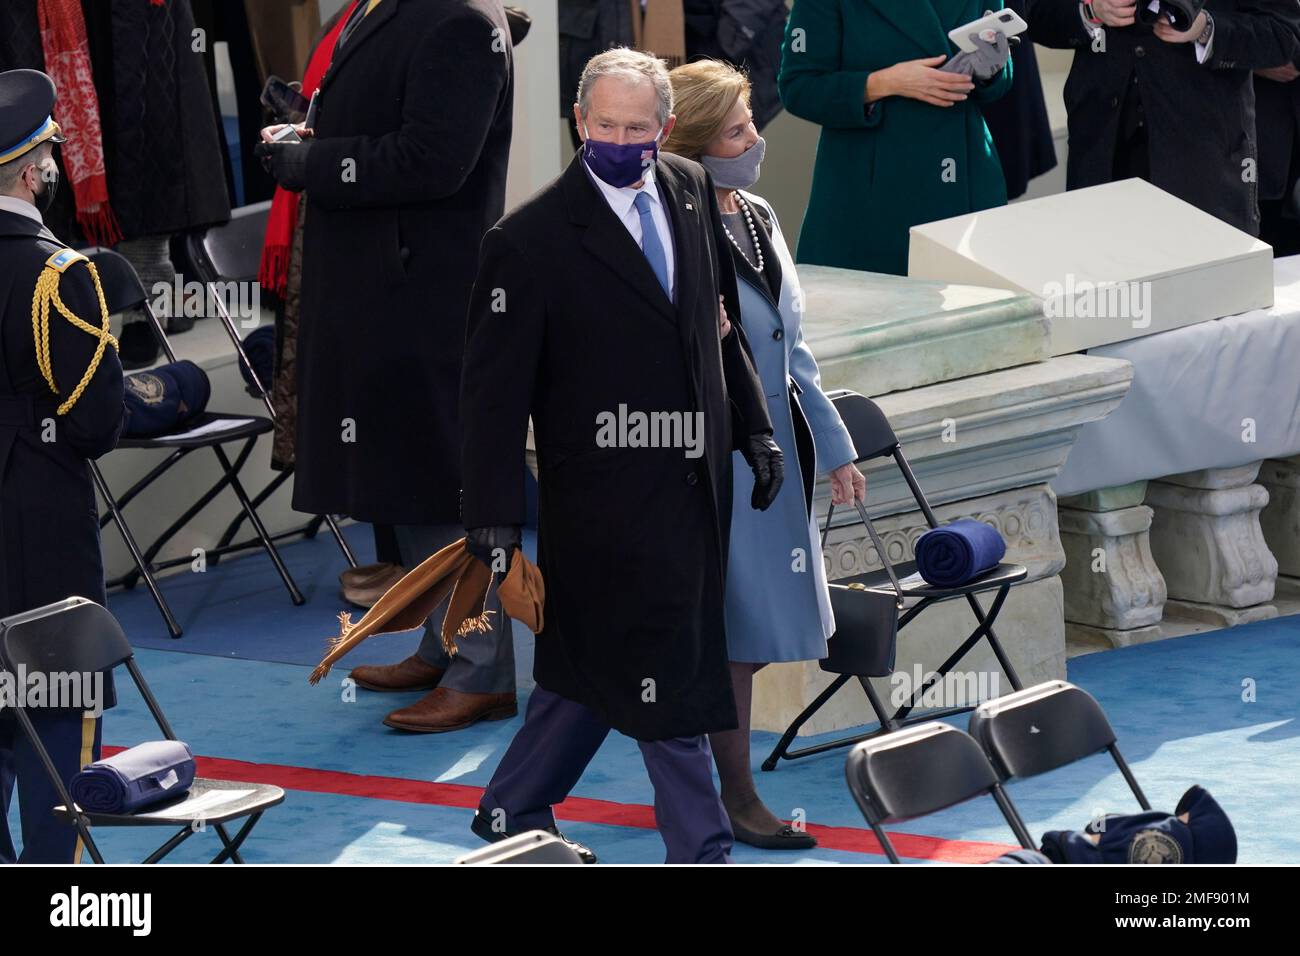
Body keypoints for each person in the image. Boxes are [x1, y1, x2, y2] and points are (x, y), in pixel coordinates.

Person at [460, 48, 782, 864]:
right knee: (670, 671)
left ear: (666, 129)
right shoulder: (526, 242)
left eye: (638, 127)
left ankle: (512, 805)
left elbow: (717, 326)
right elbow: (490, 404)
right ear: (578, 122)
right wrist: (493, 523)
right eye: (605, 125)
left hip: (695, 484)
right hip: (601, 503)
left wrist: (754, 425)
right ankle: (702, 848)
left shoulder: (682, 187)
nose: (620, 138)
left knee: (584, 670)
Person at [258, 0, 519, 733]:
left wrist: (314, 162)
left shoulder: (461, 20)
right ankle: (443, 648)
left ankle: (482, 670)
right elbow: (390, 129)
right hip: (384, 288)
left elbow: (435, 161)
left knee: (440, 486)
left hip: (423, 294)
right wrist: (314, 138)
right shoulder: (390, 8)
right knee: (405, 481)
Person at [664, 58, 866, 850]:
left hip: (774, 458)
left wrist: (837, 445)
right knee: (734, 637)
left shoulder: (755, 213)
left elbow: (792, 348)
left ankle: (731, 790)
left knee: (741, 633)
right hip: (710, 457)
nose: (757, 141)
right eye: (738, 130)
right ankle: (737, 797)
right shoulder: (671, 230)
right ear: (691, 143)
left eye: (752, 124)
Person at [0, 69, 125, 863]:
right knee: (55, 761)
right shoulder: (61, 276)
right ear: (33, 168)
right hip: (42, 546)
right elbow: (95, 424)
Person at [778, 0, 1013, 276]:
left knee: (981, 309)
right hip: (873, 193)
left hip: (968, 178)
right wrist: (885, 83)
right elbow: (799, 87)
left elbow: (999, 79)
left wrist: (992, 72)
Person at [1026, 0, 1300, 235]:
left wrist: (1206, 29)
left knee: (1205, 290)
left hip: (1206, 168)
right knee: (1105, 290)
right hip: (1101, 157)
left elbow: (1284, 34)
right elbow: (1035, 13)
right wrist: (1091, 11)